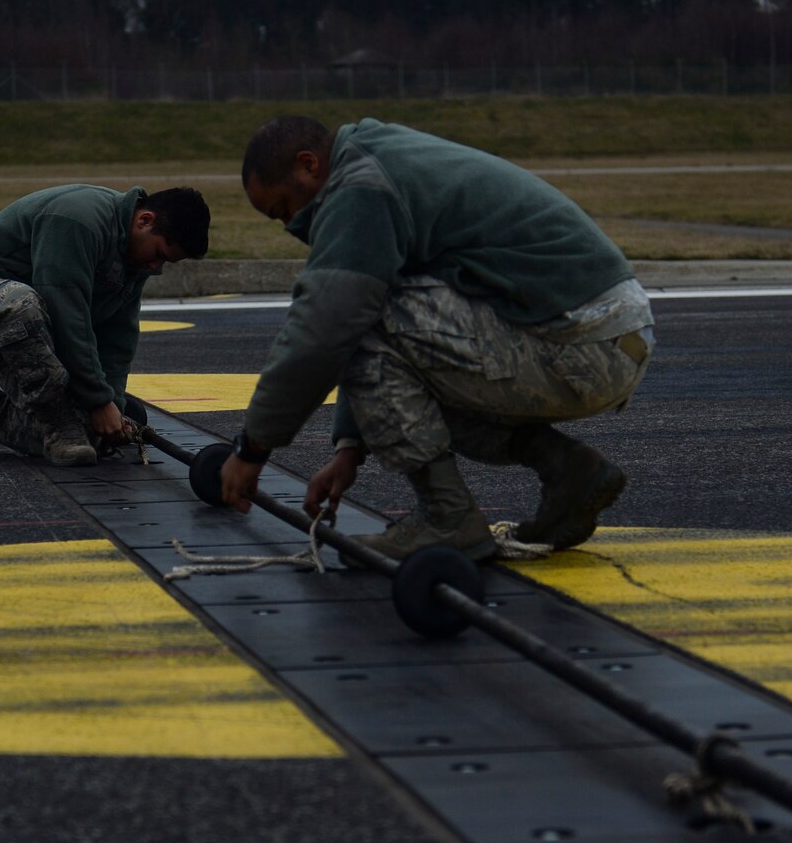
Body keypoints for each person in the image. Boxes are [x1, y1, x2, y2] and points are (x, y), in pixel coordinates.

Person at [219, 116, 652, 559]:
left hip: (579, 339)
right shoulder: (378, 161)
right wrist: (350, 447)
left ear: (309, 165)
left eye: (285, 208)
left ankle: (448, 518)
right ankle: (569, 470)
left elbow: (327, 328)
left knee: (349, 319)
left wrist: (252, 448)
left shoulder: (361, 186)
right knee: (398, 353)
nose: (291, 225)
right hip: (604, 336)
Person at [0, 184, 209, 464]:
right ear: (144, 220)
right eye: (159, 255)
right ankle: (61, 427)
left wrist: (110, 407)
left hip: (22, 327)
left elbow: (117, 340)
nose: (156, 267)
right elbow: (65, 313)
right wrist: (98, 400)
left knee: (90, 437)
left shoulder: (134, 258)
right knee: (21, 305)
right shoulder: (78, 220)